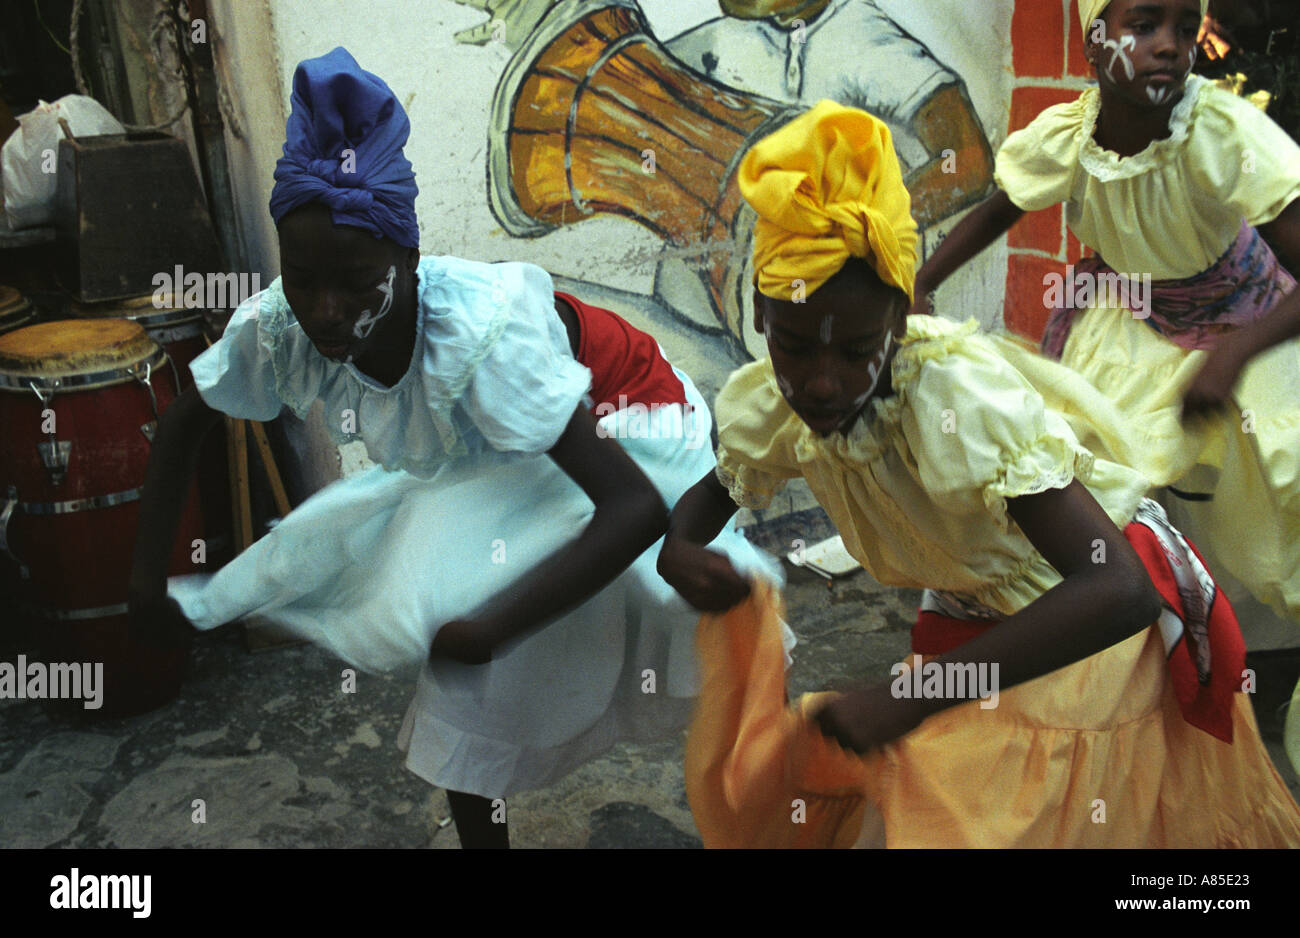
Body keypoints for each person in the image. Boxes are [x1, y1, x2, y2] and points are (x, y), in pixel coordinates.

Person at [127, 47, 780, 849]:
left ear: (409, 257)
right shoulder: (284, 325)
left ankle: (768, 802)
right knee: (449, 649)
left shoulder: (483, 333)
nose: (326, 310)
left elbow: (635, 508)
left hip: (626, 428)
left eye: (355, 279)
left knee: (525, 643)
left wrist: (489, 627)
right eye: (303, 277)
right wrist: (143, 577)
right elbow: (190, 416)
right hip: (506, 459)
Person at [659, 99, 1300, 846]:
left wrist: (914, 695)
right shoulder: (772, 404)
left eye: (857, 348)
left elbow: (1117, 589)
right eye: (797, 346)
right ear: (762, 322)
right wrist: (678, 549)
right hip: (974, 629)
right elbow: (703, 505)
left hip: (1078, 638)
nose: (823, 382)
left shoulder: (957, 403)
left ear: (902, 320)